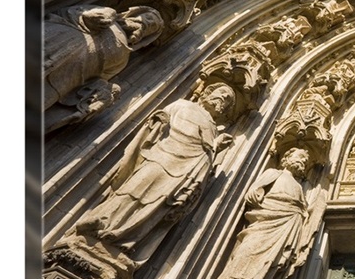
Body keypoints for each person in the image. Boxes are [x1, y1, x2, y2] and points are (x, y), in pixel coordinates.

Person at [74, 85, 235, 264]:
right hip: (164, 154)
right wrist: (159, 121)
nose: (223, 98)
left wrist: (216, 146)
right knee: (134, 188)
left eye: (227, 99)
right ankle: (103, 222)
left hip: (187, 168)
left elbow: (205, 154)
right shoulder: (183, 105)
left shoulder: (212, 128)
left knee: (158, 203)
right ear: (207, 92)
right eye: (221, 93)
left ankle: (125, 238)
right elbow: (161, 120)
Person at [192, 148, 325, 279]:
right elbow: (253, 194)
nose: (303, 161)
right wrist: (256, 192)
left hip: (287, 229)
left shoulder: (299, 188)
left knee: (267, 269)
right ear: (286, 157)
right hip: (265, 224)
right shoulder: (274, 174)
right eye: (300, 156)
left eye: (305, 159)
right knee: (243, 259)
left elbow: (302, 212)